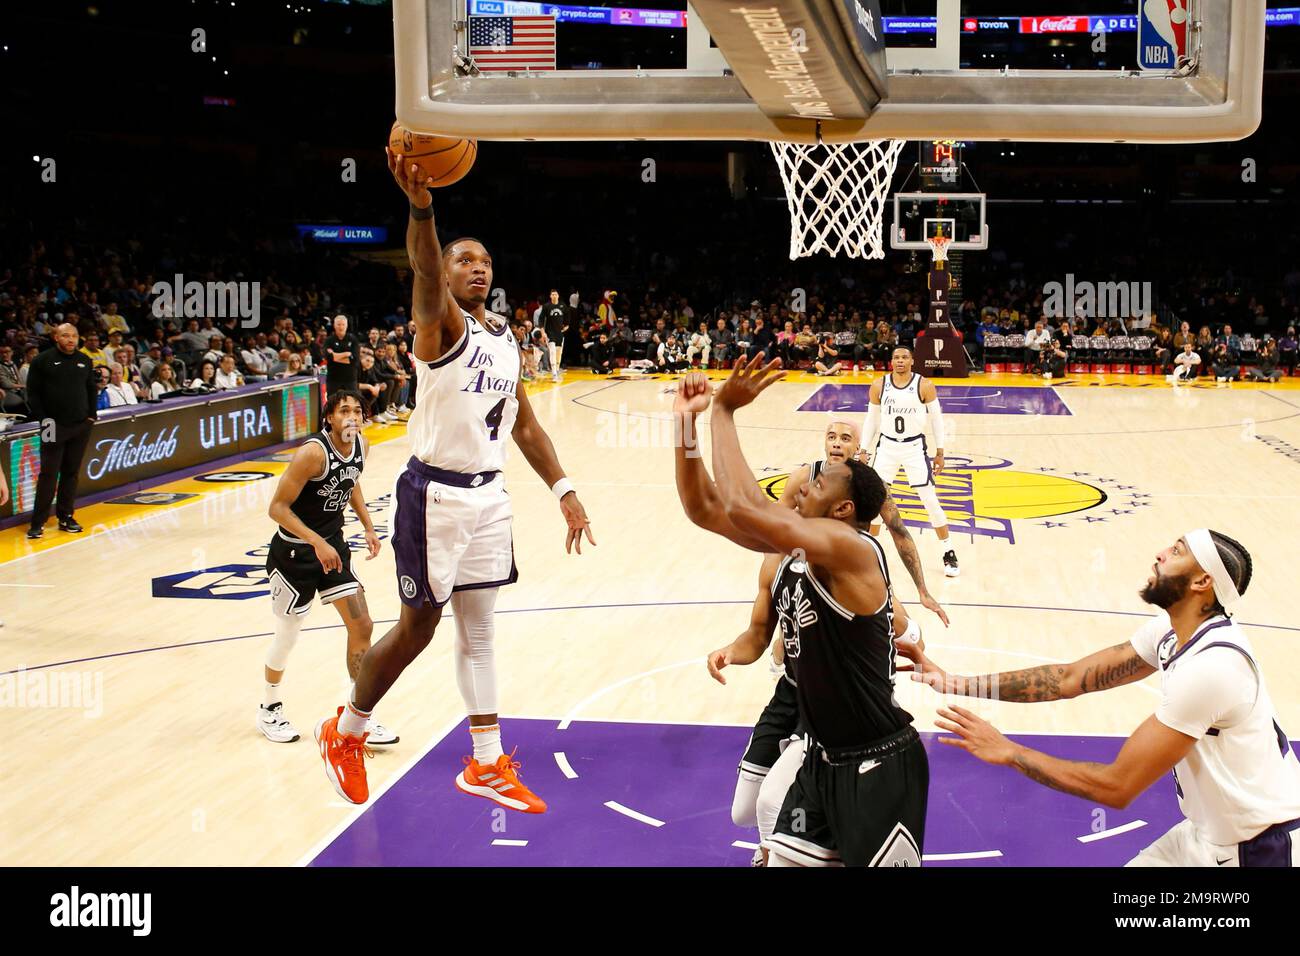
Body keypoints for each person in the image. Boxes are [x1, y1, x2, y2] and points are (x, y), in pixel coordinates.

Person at [314, 147, 595, 810]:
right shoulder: (439, 328)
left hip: (489, 497)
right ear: (443, 272)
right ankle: (345, 731)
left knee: (481, 630)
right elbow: (421, 261)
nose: (476, 267)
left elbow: (524, 425)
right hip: (433, 494)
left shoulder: (504, 339)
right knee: (418, 626)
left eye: (484, 261)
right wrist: (421, 206)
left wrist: (564, 490)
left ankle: (487, 763)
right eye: (462, 259)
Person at [900, 530, 1300, 867]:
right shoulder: (1171, 631)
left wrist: (1008, 752)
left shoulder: (1212, 668)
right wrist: (957, 683)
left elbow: (1117, 787)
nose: (1161, 553)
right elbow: (1070, 679)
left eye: (1177, 551)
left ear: (1202, 583)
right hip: (1205, 833)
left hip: (1259, 849)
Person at [677, 359, 929, 867]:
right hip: (820, 754)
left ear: (841, 510)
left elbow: (745, 507)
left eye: (821, 484)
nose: (808, 482)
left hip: (877, 762)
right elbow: (704, 507)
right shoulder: (797, 548)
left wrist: (723, 412)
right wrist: (686, 423)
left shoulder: (851, 546)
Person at [259, 390, 397, 745]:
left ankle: (358, 715)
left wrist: (367, 525)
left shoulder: (362, 446)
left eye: (357, 410)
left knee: (362, 623)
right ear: (329, 419)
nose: (352, 416)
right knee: (288, 635)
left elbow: (350, 484)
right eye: (343, 411)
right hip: (294, 554)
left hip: (332, 549)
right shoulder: (312, 453)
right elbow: (277, 508)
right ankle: (269, 707)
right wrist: (315, 542)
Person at [863, 347, 959, 577]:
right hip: (886, 447)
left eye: (904, 357)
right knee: (876, 501)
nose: (900, 361)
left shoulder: (924, 385)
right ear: (891, 361)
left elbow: (937, 420)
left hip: (914, 447)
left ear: (912, 361)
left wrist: (940, 451)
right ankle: (867, 554)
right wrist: (864, 448)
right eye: (896, 357)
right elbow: (871, 419)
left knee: (930, 500)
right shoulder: (879, 385)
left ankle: (949, 551)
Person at [23, 323, 97, 539]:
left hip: (81, 425)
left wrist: (91, 416)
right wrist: (43, 419)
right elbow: (33, 394)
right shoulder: (41, 361)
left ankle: (66, 516)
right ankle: (38, 522)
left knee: (71, 473)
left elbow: (91, 388)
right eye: (65, 335)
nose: (70, 339)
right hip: (51, 426)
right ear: (56, 337)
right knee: (48, 474)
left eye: (74, 335)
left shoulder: (84, 360)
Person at [324, 314, 360, 402]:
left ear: (347, 326)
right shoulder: (329, 340)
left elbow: (354, 360)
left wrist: (335, 356)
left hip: (350, 378)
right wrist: (347, 354)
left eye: (343, 324)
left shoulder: (353, 339)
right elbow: (328, 357)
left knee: (352, 403)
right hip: (333, 378)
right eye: (338, 324)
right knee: (332, 404)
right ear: (334, 325)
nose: (341, 327)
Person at [539, 290, 572, 384]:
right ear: (550, 296)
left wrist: (566, 327)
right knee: (552, 352)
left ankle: (557, 370)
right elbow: (541, 320)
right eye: (552, 294)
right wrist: (543, 332)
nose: (554, 296)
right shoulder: (546, 306)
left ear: (558, 295)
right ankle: (554, 374)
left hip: (560, 333)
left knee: (559, 353)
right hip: (550, 333)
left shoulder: (563, 306)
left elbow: (567, 318)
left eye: (555, 294)